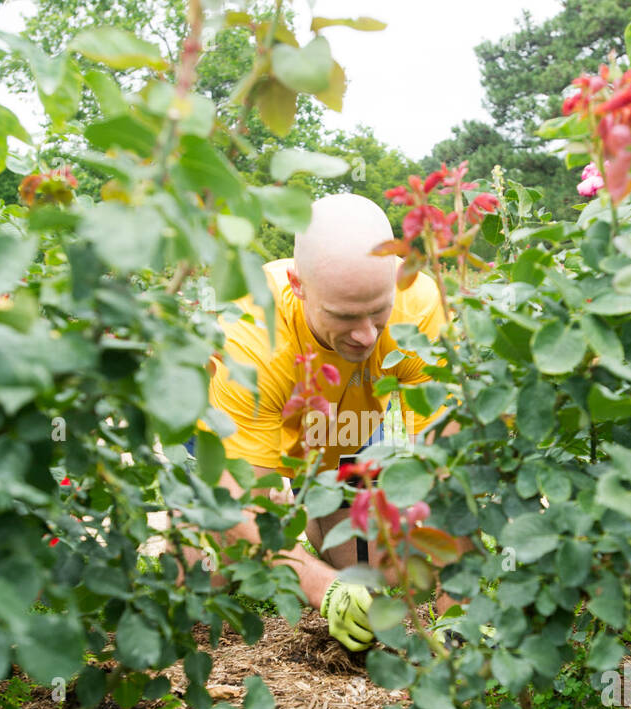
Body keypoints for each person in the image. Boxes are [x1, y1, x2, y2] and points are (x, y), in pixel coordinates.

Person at [185, 193, 461, 651]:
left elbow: (453, 461)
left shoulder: (420, 305)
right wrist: (321, 587)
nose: (367, 336)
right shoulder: (249, 337)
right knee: (207, 571)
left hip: (345, 433)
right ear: (299, 285)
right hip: (249, 438)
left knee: (382, 564)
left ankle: (320, 522)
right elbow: (237, 502)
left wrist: (458, 606)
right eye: (345, 317)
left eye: (378, 311)